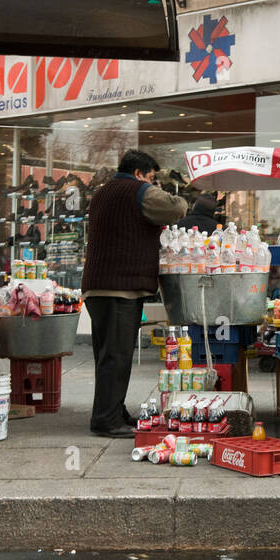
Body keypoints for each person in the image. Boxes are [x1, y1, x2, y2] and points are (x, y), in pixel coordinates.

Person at [81, 149, 187, 438]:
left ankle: (113, 411)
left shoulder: (103, 192)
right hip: (120, 287)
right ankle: (106, 420)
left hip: (99, 285)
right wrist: (165, 191)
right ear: (140, 173)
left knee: (109, 355)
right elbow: (176, 208)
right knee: (117, 356)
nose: (153, 183)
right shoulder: (139, 190)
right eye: (152, 177)